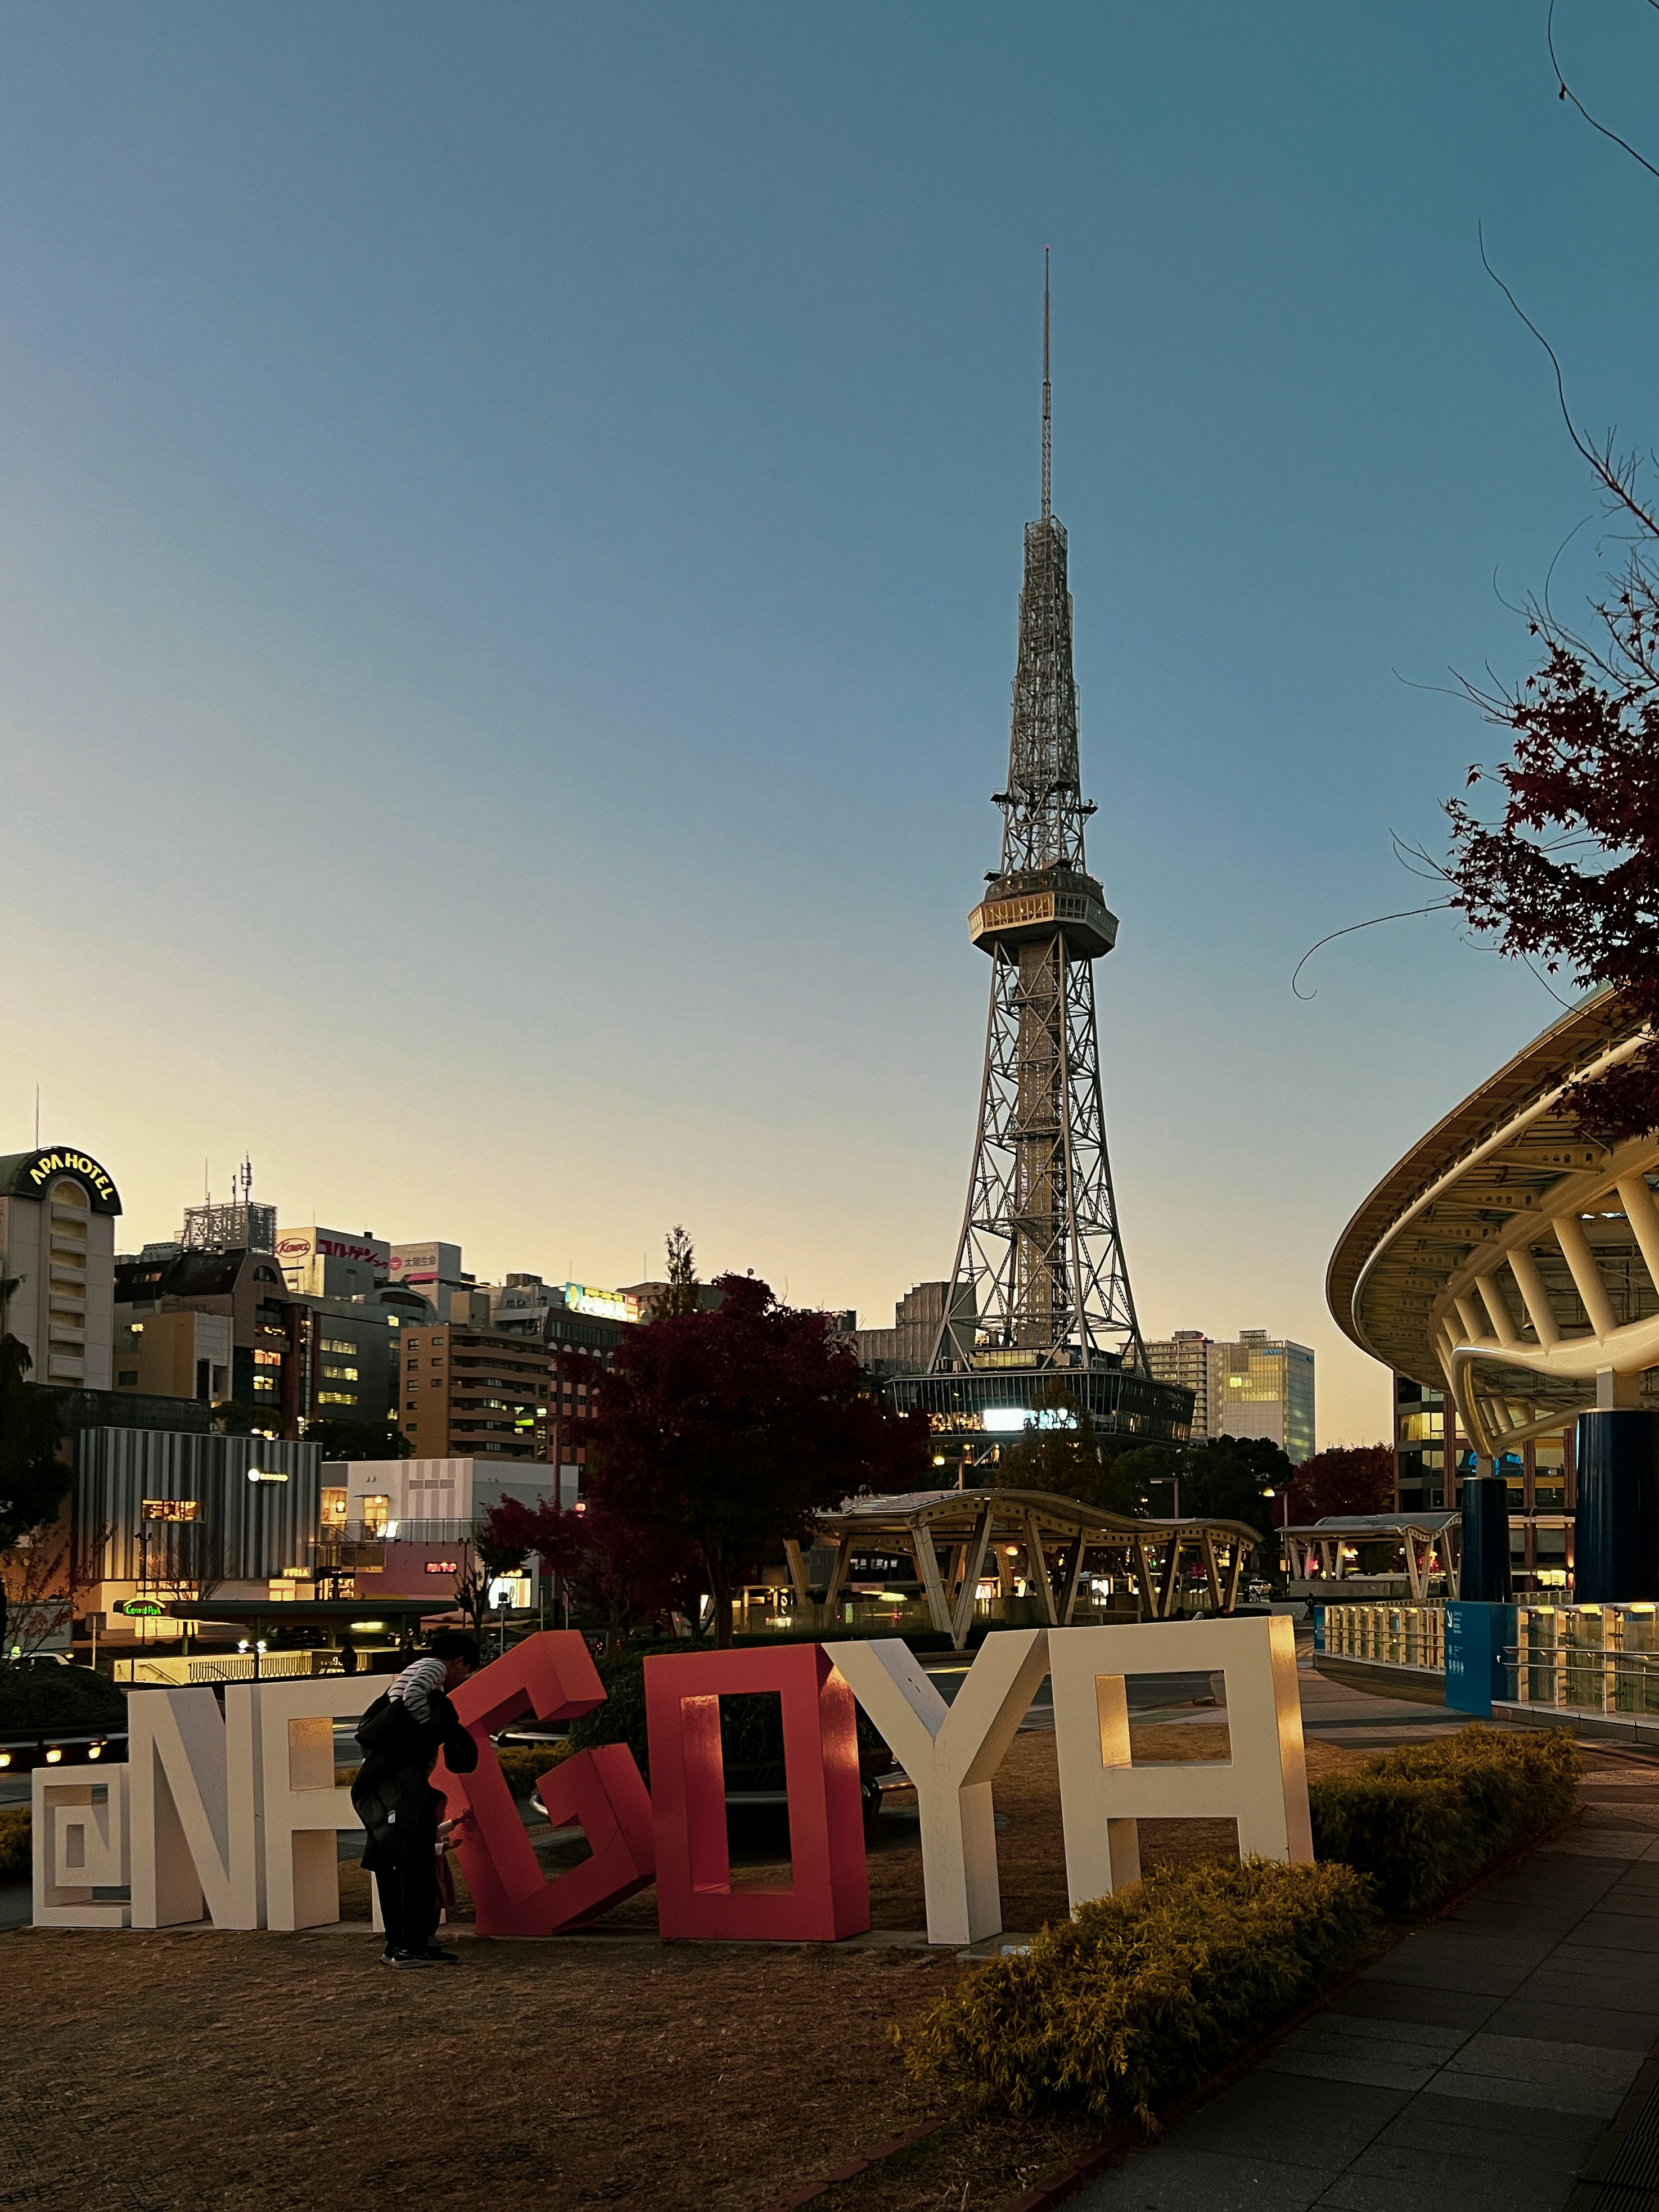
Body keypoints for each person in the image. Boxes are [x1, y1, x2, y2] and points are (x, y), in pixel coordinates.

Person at [351, 1629, 480, 1967]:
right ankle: (412, 1946)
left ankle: (399, 1944)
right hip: (405, 1793)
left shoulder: (401, 1690)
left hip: (383, 1791)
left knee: (390, 1866)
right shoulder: (431, 1674)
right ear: (459, 1661)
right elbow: (412, 1699)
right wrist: (431, 1727)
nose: (461, 1678)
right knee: (416, 1868)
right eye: (465, 1670)